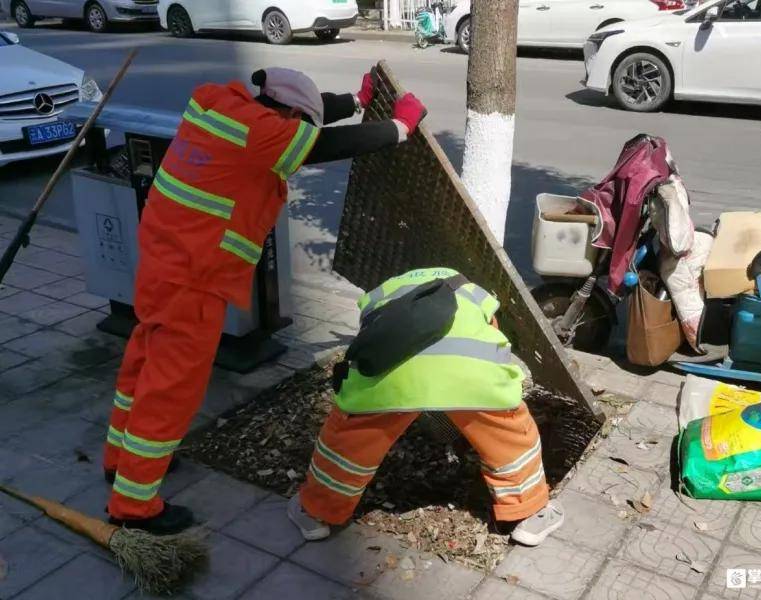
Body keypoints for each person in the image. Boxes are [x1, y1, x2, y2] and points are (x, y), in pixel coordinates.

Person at [102, 67, 428, 535]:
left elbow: (302, 126)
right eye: (299, 122)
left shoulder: (220, 105)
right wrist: (399, 128)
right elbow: (321, 145)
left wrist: (354, 101)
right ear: (289, 115)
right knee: (171, 389)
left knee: (142, 366)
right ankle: (132, 506)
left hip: (161, 262)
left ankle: (120, 462)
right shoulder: (265, 137)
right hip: (197, 278)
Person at [288, 267, 565, 547]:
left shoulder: (381, 293)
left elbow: (370, 337)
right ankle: (531, 512)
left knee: (349, 439)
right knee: (510, 435)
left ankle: (313, 512)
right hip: (471, 375)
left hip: (392, 381)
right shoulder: (473, 290)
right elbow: (490, 329)